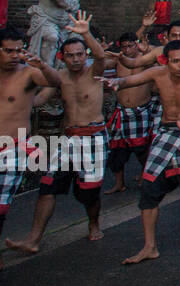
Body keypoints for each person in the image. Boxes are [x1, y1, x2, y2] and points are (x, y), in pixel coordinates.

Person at [5, 13, 110, 251]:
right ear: (63, 58)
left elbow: (102, 55)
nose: (75, 60)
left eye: (79, 55)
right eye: (70, 55)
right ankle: (33, 240)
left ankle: (93, 223)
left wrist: (85, 33)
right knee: (47, 186)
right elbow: (40, 99)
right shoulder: (59, 77)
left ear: (86, 55)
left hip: (93, 138)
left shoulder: (95, 72)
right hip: (68, 138)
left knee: (89, 193)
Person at [106, 40, 180, 262]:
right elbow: (130, 79)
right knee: (149, 191)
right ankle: (149, 247)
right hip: (165, 132)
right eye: (176, 61)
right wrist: (116, 82)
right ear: (166, 61)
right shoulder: (157, 73)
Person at [0, 27, 52, 263]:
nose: (14, 56)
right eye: (8, 51)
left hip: (14, 146)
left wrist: (42, 65)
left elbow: (55, 81)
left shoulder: (29, 74)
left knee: (1, 206)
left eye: (18, 51)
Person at [104, 32, 158, 194]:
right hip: (121, 112)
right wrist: (100, 51)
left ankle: (145, 174)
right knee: (117, 150)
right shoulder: (117, 60)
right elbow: (102, 64)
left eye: (130, 46)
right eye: (124, 47)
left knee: (141, 148)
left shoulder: (146, 60)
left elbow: (159, 61)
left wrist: (148, 49)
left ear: (136, 45)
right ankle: (119, 183)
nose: (127, 50)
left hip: (140, 111)